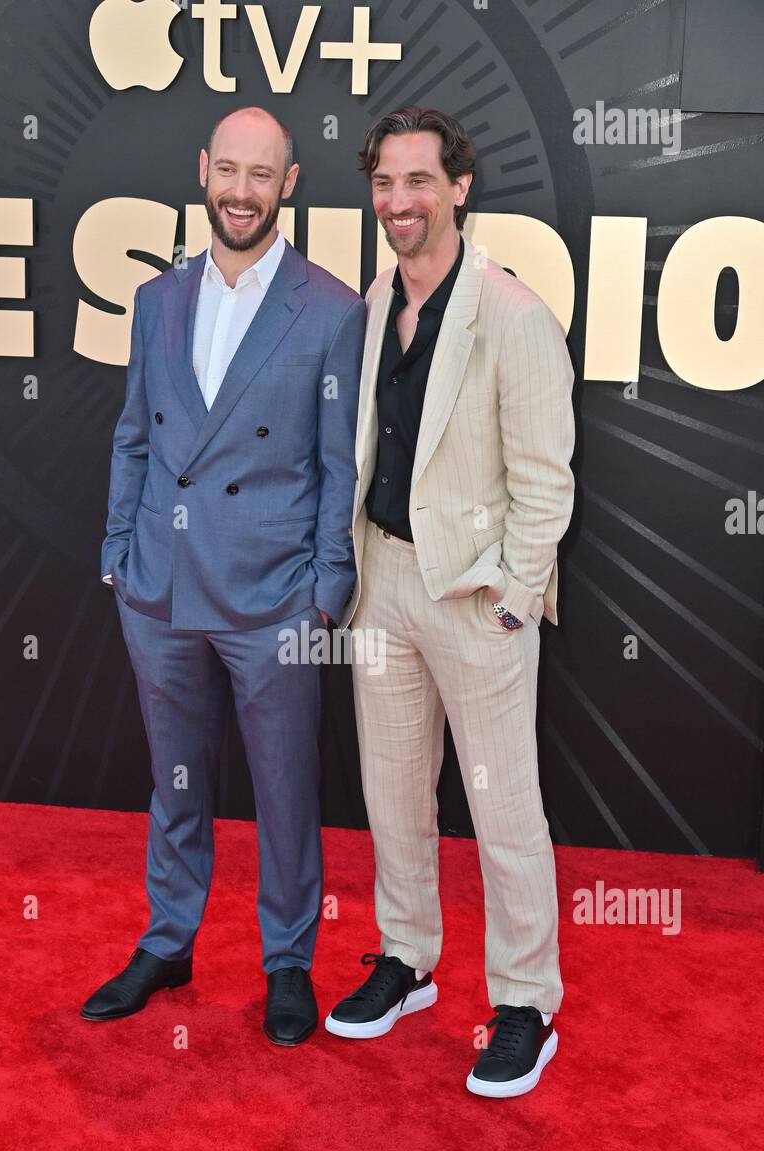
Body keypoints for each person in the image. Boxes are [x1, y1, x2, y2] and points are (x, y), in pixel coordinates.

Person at [83, 107, 365, 1046]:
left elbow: (338, 466)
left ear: (288, 185)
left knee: (286, 788)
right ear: (204, 169)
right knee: (175, 781)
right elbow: (134, 436)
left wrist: (326, 590)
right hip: (160, 590)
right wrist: (119, 553)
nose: (241, 191)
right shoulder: (158, 300)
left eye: (262, 175)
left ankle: (287, 960)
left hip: (272, 596)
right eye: (228, 170)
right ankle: (169, 942)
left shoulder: (331, 309)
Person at [326, 106, 576, 1098]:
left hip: (475, 596)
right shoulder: (378, 295)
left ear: (460, 187)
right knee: (392, 792)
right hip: (383, 581)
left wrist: (512, 600)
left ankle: (525, 1002)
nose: (398, 201)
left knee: (503, 808)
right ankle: (408, 958)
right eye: (385, 183)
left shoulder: (512, 316)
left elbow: (547, 484)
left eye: (418, 181)